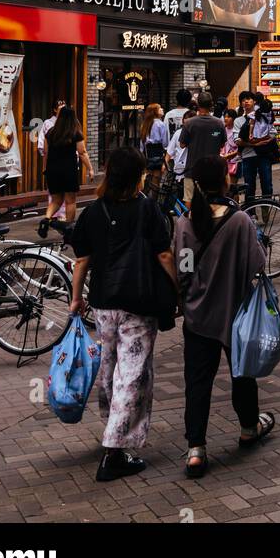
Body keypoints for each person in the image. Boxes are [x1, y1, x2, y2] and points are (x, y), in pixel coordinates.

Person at [70, 145, 175, 482]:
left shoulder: (93, 211)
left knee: (110, 367)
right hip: (137, 302)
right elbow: (164, 255)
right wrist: (177, 290)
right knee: (132, 373)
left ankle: (112, 426)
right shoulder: (147, 210)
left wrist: (75, 298)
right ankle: (114, 449)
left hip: (102, 302)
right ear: (137, 176)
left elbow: (82, 260)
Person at [174, 154, 271, 478]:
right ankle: (248, 427)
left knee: (197, 382)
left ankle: (196, 449)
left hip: (197, 317)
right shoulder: (240, 221)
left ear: (197, 185)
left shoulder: (185, 224)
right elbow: (256, 264)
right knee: (242, 373)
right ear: (225, 181)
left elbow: (183, 270)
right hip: (236, 314)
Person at [38, 106, 91, 238]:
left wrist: (45, 168)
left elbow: (46, 152)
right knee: (70, 201)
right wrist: (90, 169)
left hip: (52, 170)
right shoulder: (75, 133)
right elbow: (82, 152)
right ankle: (69, 229)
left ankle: (46, 219)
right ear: (72, 118)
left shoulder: (50, 132)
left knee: (56, 200)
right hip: (68, 170)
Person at [179, 92, 227, 204]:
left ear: (197, 104)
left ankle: (192, 221)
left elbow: (182, 144)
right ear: (211, 104)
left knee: (190, 200)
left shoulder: (189, 123)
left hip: (192, 169)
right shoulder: (219, 123)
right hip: (213, 170)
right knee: (213, 202)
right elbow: (222, 145)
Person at [37, 99, 66, 223]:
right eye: (60, 107)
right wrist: (45, 162)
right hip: (52, 159)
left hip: (65, 160)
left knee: (64, 189)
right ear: (55, 109)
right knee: (53, 190)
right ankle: (53, 214)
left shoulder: (68, 123)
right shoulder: (48, 123)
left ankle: (62, 214)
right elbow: (43, 144)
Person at [140, 103, 169, 173]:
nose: (162, 109)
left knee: (149, 176)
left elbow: (142, 144)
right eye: (159, 108)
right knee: (157, 177)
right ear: (154, 112)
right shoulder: (160, 124)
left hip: (147, 154)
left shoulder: (144, 124)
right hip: (158, 154)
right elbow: (165, 143)